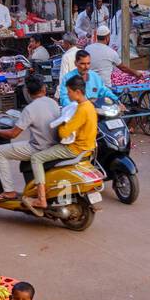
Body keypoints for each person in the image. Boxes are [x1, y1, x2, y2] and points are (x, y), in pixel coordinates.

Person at [0, 74, 62, 199]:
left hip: (39, 148)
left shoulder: (29, 109)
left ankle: (8, 191)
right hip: (54, 146)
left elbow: (13, 134)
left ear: (27, 92)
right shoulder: (53, 103)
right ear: (44, 89)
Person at [30, 74, 96, 209]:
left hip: (74, 149)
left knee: (36, 158)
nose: (68, 95)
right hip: (88, 147)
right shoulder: (89, 106)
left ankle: (41, 199)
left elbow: (64, 133)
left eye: (69, 92)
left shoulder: (81, 110)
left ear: (78, 92)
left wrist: (61, 122)